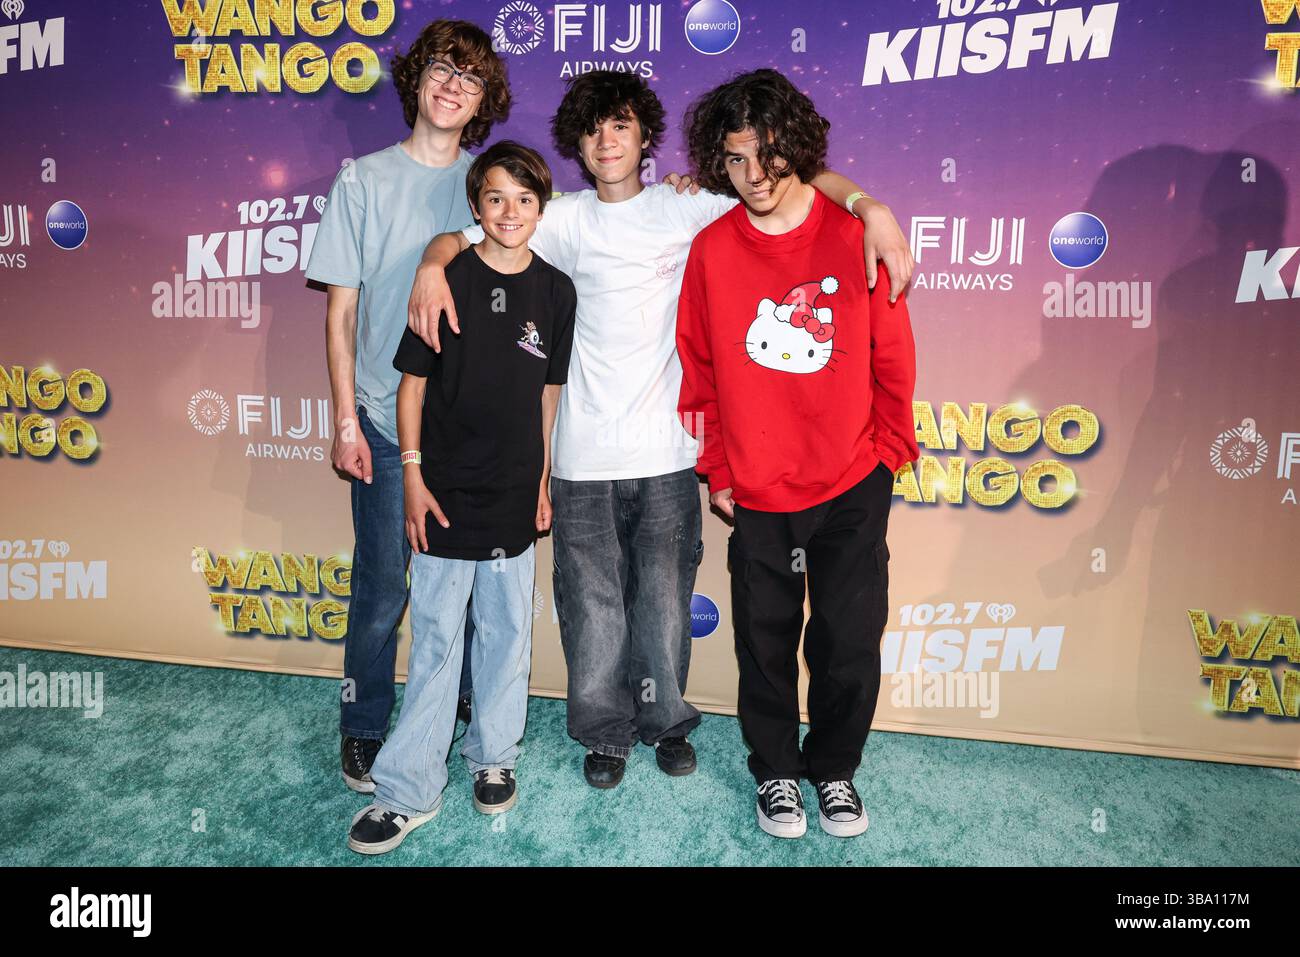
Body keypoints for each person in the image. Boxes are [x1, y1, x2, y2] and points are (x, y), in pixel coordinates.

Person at [407, 70, 914, 790]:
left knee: (665, 604)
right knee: (592, 610)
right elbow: (471, 232)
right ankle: (603, 731)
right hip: (583, 454)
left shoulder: (689, 210)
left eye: (621, 124)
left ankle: (667, 721)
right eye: (592, 129)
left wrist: (872, 207)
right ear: (577, 146)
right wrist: (432, 262)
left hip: (672, 454)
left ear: (646, 136)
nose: (606, 139)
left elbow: (789, 173)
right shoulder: (560, 217)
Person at [675, 69, 919, 839]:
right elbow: (701, 368)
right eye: (736, 160)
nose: (753, 177)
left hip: (852, 477)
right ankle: (776, 771)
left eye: (768, 157)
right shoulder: (712, 250)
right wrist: (718, 468)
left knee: (849, 642)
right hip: (757, 487)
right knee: (764, 641)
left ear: (797, 149)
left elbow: (893, 356)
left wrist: (884, 455)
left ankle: (835, 770)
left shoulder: (854, 233)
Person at [348, 142, 576, 854]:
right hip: (443, 493)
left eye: (525, 199)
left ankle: (493, 754)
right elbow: (411, 386)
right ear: (475, 207)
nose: (510, 212)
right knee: (441, 638)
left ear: (543, 208)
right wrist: (411, 474)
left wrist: (542, 481)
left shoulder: (557, 291)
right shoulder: (446, 277)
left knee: (508, 634)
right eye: (497, 198)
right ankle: (408, 787)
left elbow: (549, 395)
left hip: (514, 493)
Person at [305, 20, 510, 793]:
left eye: (471, 78)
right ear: (416, 81)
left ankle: (449, 705)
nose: (453, 86)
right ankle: (362, 724)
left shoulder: (487, 186)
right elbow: (340, 313)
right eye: (441, 70)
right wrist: (346, 419)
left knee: (455, 583)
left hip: (466, 428)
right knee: (385, 582)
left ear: (484, 101)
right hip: (386, 421)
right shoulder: (362, 179)